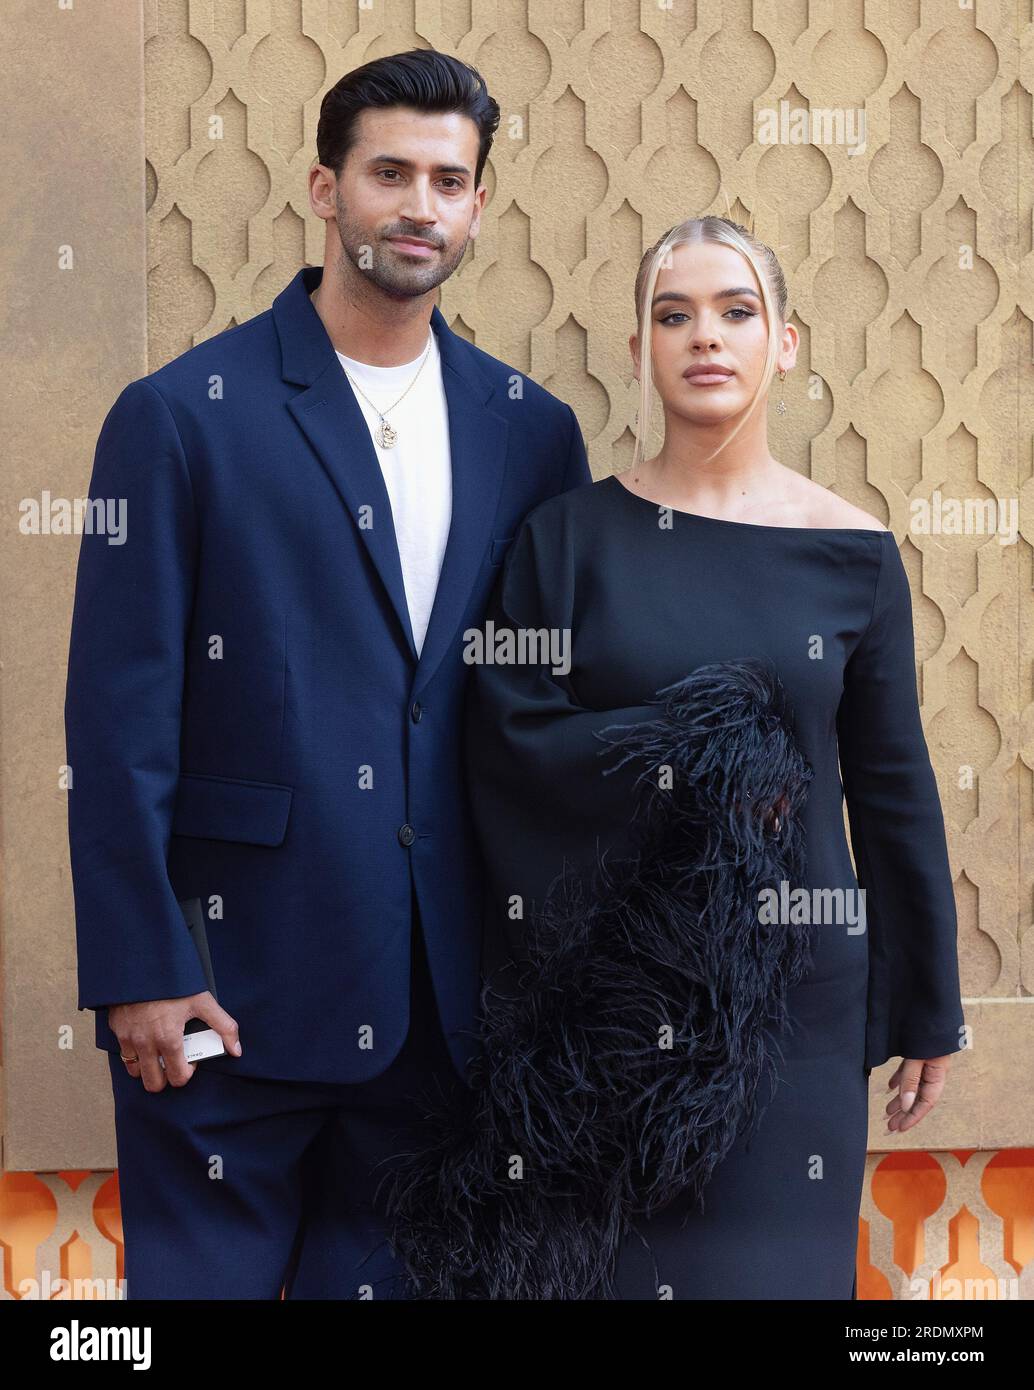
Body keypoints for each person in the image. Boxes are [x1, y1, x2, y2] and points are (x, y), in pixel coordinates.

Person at [63, 48, 590, 1300]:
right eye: (389, 172)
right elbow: (117, 716)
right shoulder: (182, 413)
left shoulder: (531, 428)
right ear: (323, 187)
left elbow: (543, 713)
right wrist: (141, 963)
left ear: (476, 208)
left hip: (446, 1008)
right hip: (225, 1000)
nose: (419, 204)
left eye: (448, 180)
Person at [385, 215, 967, 1300]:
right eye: (672, 313)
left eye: (735, 312)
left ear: (782, 342)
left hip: (795, 1005)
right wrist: (702, 757)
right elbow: (506, 747)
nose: (705, 336)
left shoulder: (851, 551)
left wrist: (927, 1000)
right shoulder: (565, 539)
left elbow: (891, 783)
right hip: (609, 1015)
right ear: (639, 346)